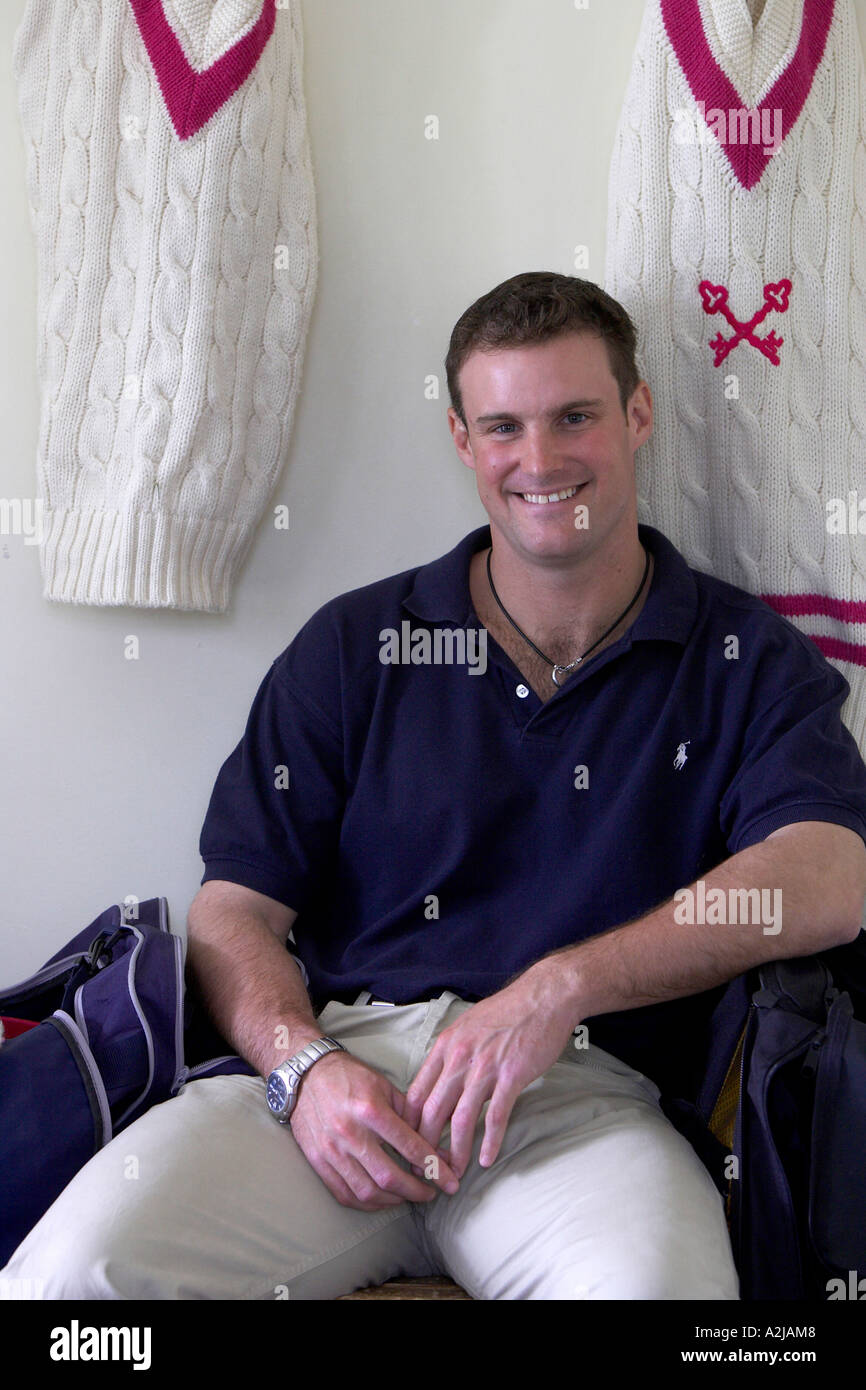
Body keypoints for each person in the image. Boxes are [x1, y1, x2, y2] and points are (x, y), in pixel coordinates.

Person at [5, 271, 866, 1301]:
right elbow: (233, 909)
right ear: (461, 440)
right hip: (336, 1080)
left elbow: (825, 875)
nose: (538, 460)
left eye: (573, 417)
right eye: (502, 425)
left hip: (585, 1097)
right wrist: (299, 1068)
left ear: (636, 416)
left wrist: (560, 989)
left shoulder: (744, 655)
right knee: (67, 1283)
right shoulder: (352, 645)